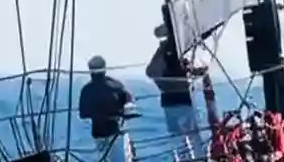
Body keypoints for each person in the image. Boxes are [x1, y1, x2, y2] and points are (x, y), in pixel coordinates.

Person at [145, 24, 205, 159]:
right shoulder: (177, 49)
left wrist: (164, 84)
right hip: (182, 98)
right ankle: (198, 157)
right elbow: (151, 71)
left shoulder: (168, 49)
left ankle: (188, 157)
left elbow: (151, 71)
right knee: (191, 134)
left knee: (179, 136)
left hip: (173, 99)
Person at [78, 55, 135, 162]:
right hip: (112, 132)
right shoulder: (115, 85)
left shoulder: (87, 90)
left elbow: (83, 114)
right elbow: (128, 98)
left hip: (102, 133)